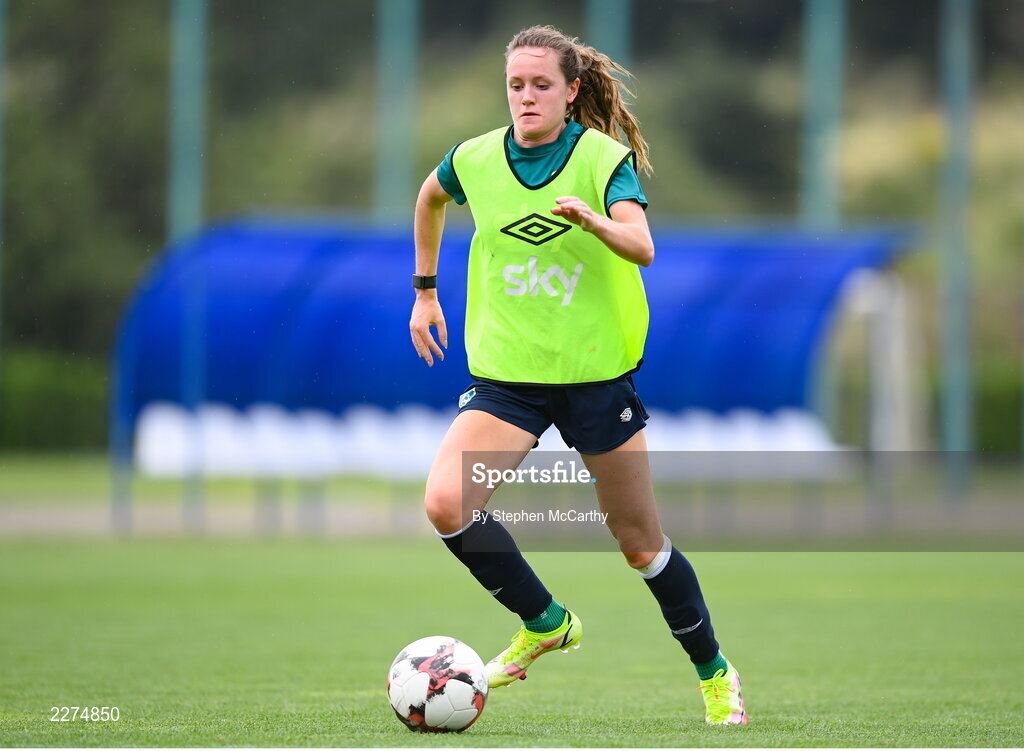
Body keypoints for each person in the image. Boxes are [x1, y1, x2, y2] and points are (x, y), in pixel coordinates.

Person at [408, 25, 747, 726]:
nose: (526, 96)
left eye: (541, 84)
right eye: (516, 84)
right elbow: (430, 197)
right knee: (446, 503)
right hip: (511, 377)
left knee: (639, 542)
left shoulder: (601, 160)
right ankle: (546, 622)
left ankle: (715, 672)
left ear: (571, 90)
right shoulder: (474, 159)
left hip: (595, 376)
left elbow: (642, 246)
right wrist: (425, 291)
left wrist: (594, 222)